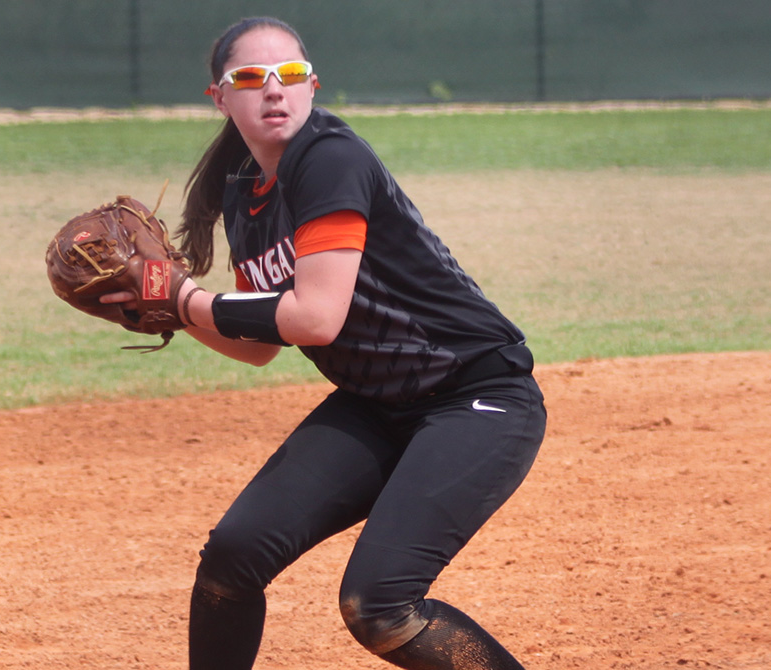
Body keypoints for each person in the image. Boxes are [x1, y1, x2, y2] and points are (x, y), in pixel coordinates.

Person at [102, 16, 548, 670]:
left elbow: (316, 319)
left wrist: (186, 300)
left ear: (313, 87)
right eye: (250, 78)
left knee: (379, 603)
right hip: (376, 403)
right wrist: (171, 315)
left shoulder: (331, 160)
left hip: (476, 398)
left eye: (289, 76)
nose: (273, 91)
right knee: (233, 556)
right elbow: (259, 342)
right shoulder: (245, 196)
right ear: (220, 98)